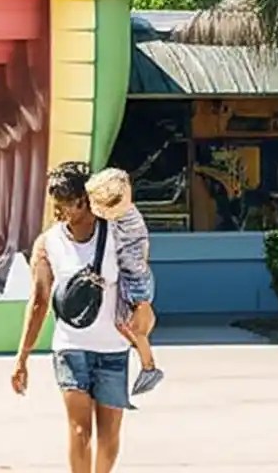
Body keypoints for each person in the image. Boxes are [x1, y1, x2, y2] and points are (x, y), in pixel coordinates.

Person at [12, 161, 132, 473]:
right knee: (80, 431)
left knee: (109, 435)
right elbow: (38, 301)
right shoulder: (48, 242)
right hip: (71, 347)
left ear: (85, 199)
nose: (59, 210)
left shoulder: (116, 235)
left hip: (114, 346)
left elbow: (138, 283)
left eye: (67, 203)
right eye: (56, 202)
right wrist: (22, 357)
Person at [86, 167, 165, 395]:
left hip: (134, 281)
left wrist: (141, 302)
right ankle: (147, 364)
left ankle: (149, 366)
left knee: (131, 327)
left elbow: (132, 261)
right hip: (134, 279)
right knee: (124, 325)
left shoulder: (125, 221)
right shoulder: (128, 215)